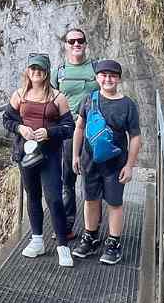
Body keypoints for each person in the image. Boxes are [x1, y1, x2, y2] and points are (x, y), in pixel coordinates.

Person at [71, 59, 142, 266]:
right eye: (103, 75)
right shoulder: (88, 100)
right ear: (97, 78)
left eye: (112, 75)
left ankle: (114, 243)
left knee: (114, 203)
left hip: (115, 163)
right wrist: (75, 155)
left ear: (118, 78)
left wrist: (129, 166)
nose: (108, 79)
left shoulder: (128, 105)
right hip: (90, 160)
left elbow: (135, 137)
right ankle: (90, 237)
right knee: (90, 199)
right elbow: (79, 128)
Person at [9, 53, 75, 267]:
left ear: (47, 72)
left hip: (50, 155)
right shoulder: (19, 94)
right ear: (27, 71)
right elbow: (7, 119)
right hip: (27, 154)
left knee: (54, 198)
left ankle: (63, 246)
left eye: (41, 69)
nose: (36, 72)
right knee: (33, 196)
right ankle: (37, 240)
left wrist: (49, 132)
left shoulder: (58, 98)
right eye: (33, 68)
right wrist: (20, 128)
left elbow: (69, 128)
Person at [52, 25, 99, 222]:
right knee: (67, 178)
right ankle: (68, 221)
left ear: (86, 44)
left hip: (93, 128)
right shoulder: (59, 72)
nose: (76, 44)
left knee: (93, 178)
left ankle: (94, 225)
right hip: (68, 128)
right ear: (65, 45)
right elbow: (50, 100)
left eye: (80, 40)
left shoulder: (97, 67)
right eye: (72, 41)